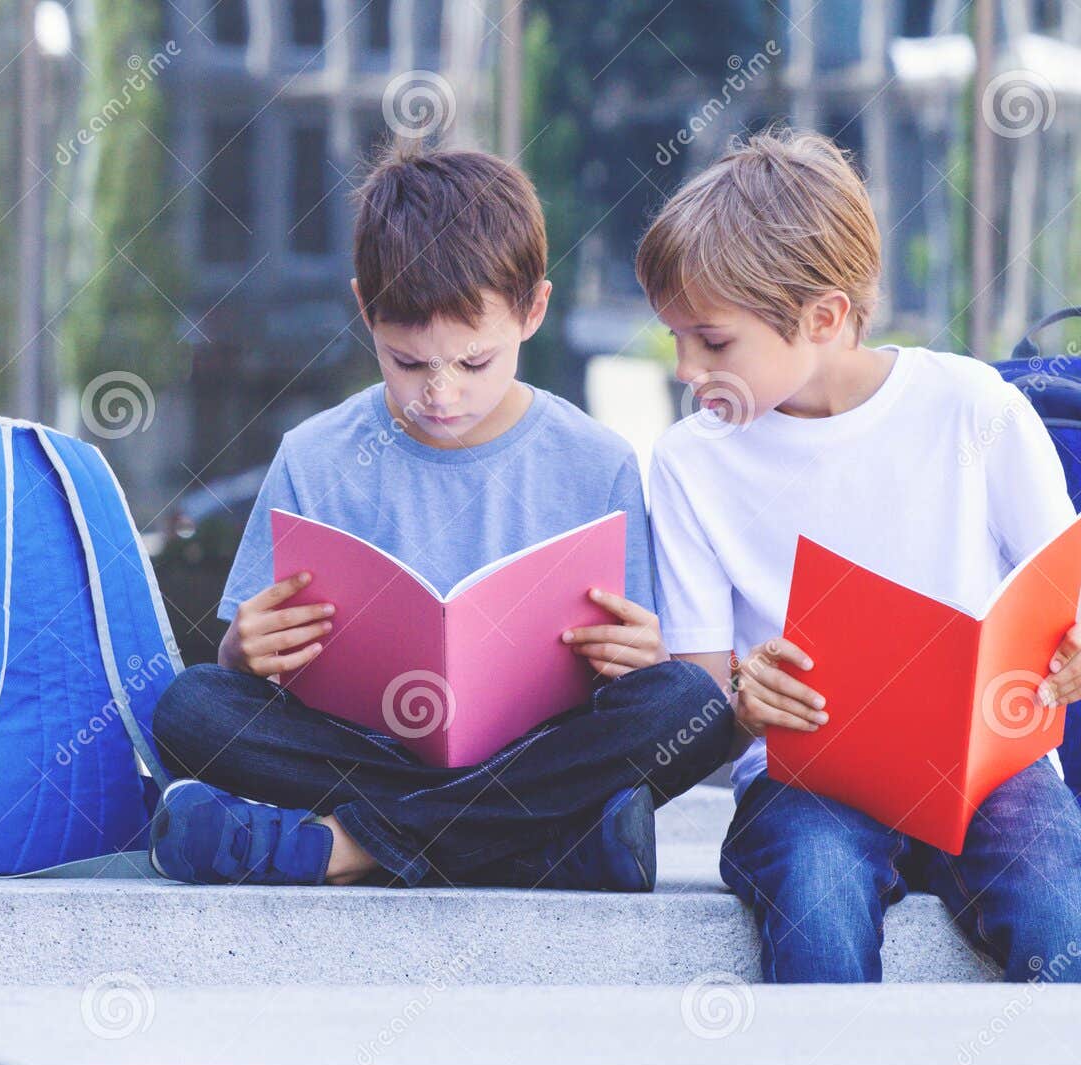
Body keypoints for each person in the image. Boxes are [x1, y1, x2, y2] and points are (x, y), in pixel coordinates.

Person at [149, 142, 732, 889]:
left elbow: (633, 683)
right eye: (408, 362)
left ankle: (347, 847)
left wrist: (641, 658)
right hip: (376, 753)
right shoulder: (314, 455)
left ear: (534, 310)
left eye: (473, 362)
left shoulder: (599, 461)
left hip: (533, 753)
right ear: (365, 310)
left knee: (688, 703)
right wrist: (241, 653)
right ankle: (545, 848)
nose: (441, 393)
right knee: (193, 708)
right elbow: (246, 673)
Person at [637, 128, 1081, 981]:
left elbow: (1079, 579)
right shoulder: (689, 462)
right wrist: (748, 703)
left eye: (711, 342)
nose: (685, 368)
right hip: (808, 776)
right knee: (817, 898)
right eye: (675, 337)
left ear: (824, 319)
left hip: (990, 771)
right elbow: (702, 693)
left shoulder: (969, 404)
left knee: (1060, 906)